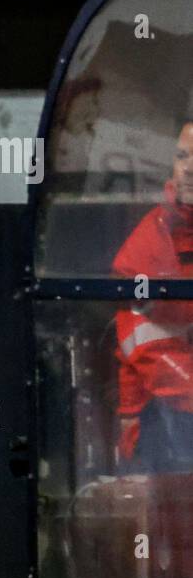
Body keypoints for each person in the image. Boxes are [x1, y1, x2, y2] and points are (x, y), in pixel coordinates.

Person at [112, 121, 193, 472]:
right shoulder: (145, 249)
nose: (189, 167)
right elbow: (150, 351)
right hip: (166, 431)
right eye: (181, 156)